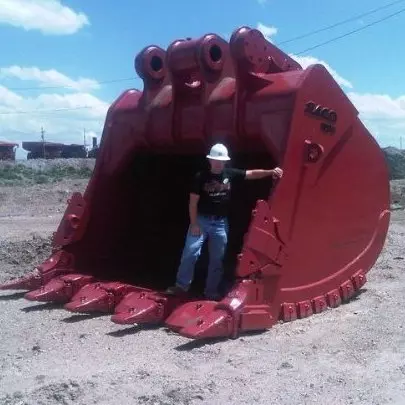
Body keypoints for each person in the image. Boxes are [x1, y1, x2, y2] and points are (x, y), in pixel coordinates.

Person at [166, 143, 283, 300]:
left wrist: (271, 172)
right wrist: (194, 223)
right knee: (190, 253)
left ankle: (211, 292)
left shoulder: (229, 173)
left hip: (220, 224)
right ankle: (181, 286)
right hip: (201, 221)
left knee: (217, 259)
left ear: (225, 162)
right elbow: (192, 202)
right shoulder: (201, 177)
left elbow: (251, 174)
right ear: (210, 161)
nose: (218, 163)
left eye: (221, 160)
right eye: (215, 160)